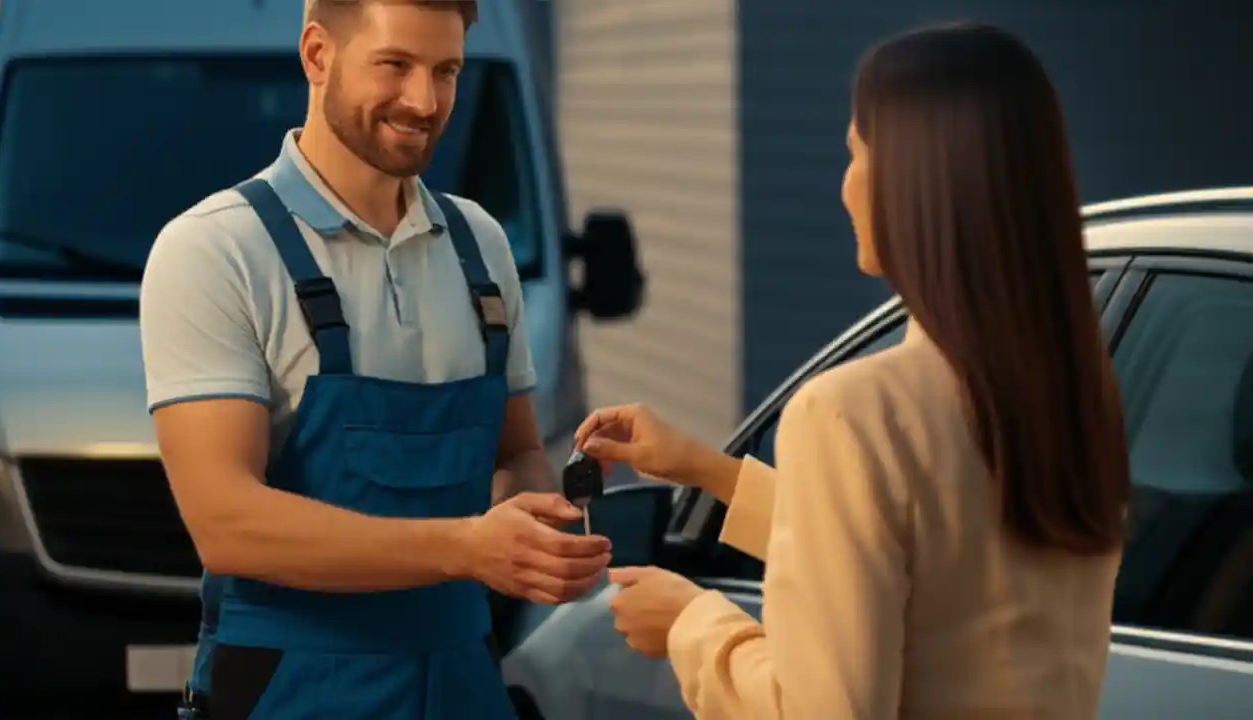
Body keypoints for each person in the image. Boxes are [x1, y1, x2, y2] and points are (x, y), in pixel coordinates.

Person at [576, 22, 1130, 720]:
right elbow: (934, 569)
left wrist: (691, 623)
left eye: (854, 154)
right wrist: (706, 470)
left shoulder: (851, 410)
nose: (844, 189)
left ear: (914, 179)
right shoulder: (1076, 400)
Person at [140, 1, 611, 718]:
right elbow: (225, 522)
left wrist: (536, 528)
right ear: (318, 54)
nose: (424, 102)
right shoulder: (215, 250)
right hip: (291, 689)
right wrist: (467, 548)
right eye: (395, 65)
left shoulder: (479, 245)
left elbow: (514, 452)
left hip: (466, 684)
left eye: (446, 71)